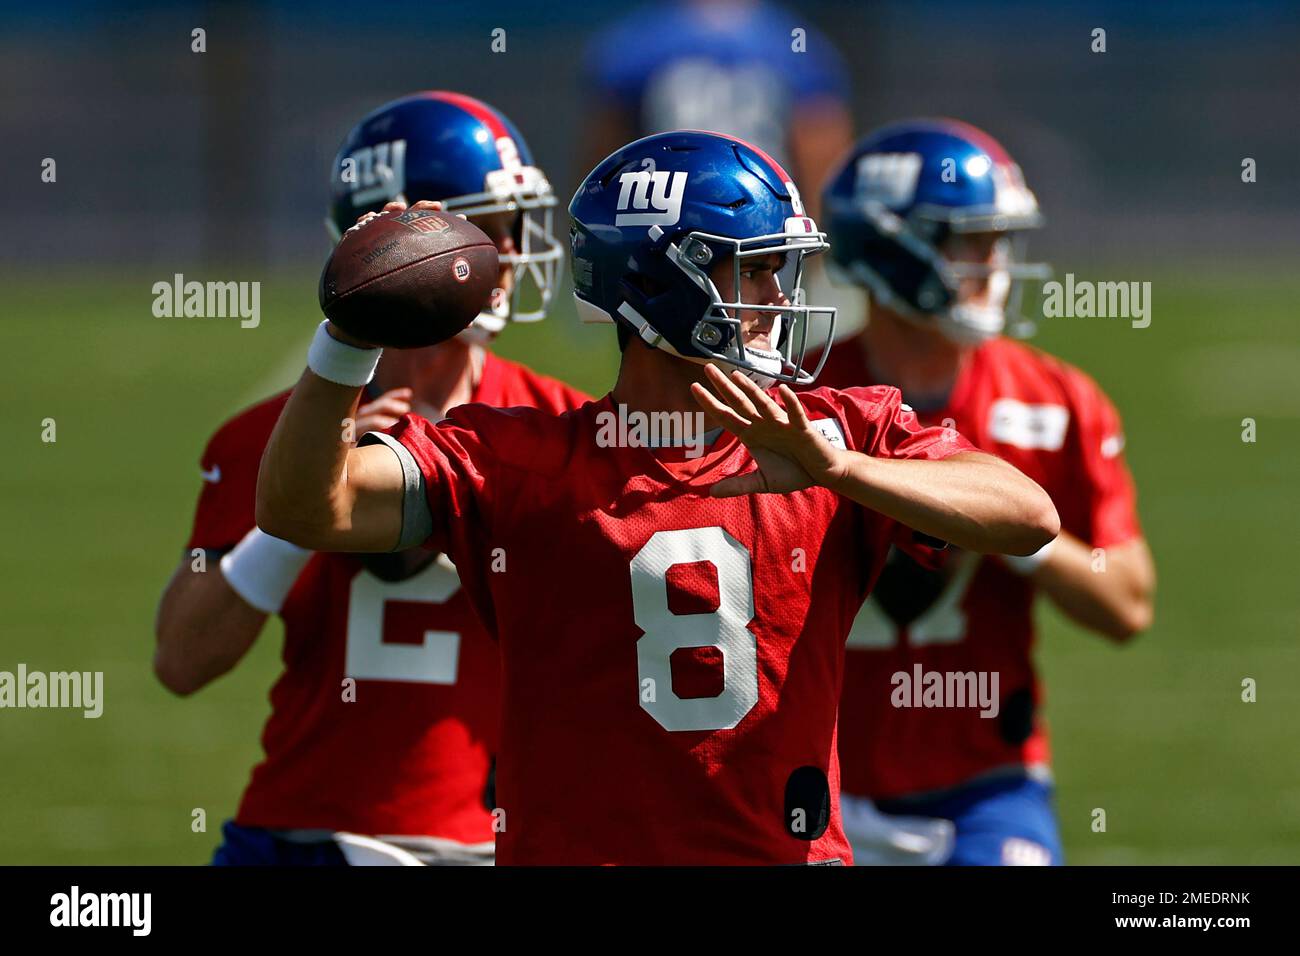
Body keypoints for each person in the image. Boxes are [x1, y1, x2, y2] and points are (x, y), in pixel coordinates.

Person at [255, 129, 1060, 865]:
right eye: (753, 269)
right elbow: (305, 509)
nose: (779, 299)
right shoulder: (518, 459)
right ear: (660, 280)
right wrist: (348, 339)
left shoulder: (831, 434)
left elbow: (1028, 516)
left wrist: (840, 472)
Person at [153, 91, 588, 865]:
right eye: (485, 231)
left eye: (512, 228)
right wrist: (309, 499)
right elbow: (182, 659)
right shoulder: (275, 438)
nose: (510, 255)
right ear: (397, 242)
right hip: (310, 835)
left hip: (505, 844)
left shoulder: (560, 425)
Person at [815, 118, 1156, 865]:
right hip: (810, 780)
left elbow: (1127, 603)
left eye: (1000, 239)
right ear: (888, 247)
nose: (995, 264)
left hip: (984, 785)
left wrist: (1015, 531)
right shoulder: (799, 402)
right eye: (969, 241)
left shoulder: (1052, 401)